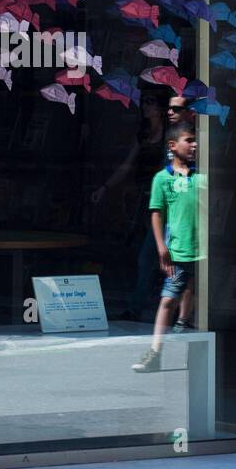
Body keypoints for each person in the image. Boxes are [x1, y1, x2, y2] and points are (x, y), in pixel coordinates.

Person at [133, 121, 205, 374]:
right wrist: (162, 247)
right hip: (180, 251)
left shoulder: (203, 176)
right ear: (173, 146)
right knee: (167, 301)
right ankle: (155, 352)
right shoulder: (162, 179)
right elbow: (157, 213)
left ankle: (197, 357)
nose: (194, 144)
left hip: (205, 254)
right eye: (189, 140)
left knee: (199, 305)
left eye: (196, 140)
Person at [91, 88, 168, 321]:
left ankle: (145, 308)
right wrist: (105, 188)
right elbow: (127, 165)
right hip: (145, 200)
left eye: (151, 102)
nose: (146, 106)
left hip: (165, 203)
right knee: (145, 255)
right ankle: (147, 307)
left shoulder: (169, 135)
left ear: (161, 107)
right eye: (144, 102)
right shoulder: (143, 135)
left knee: (150, 256)